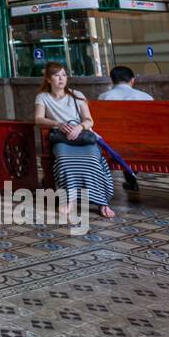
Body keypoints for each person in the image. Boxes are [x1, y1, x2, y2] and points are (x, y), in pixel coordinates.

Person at [33, 62, 114, 219]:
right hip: (62, 138)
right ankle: (69, 199)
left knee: (92, 160)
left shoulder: (77, 95)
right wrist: (58, 123)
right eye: (56, 75)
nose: (61, 79)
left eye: (63, 75)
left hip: (82, 137)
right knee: (63, 160)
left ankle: (102, 202)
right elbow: (38, 119)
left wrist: (79, 127)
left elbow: (89, 121)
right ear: (48, 79)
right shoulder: (42, 97)